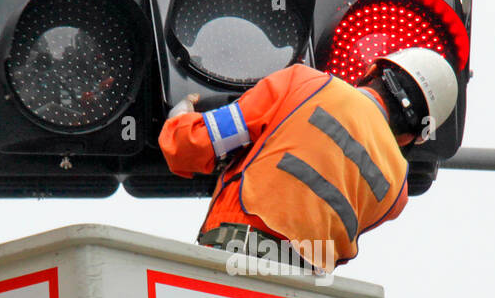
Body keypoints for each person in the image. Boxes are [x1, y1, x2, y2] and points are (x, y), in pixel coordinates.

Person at [158, 48, 459, 275]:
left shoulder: (305, 83)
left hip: (237, 250)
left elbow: (193, 145)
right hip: (307, 288)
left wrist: (180, 118)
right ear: (412, 138)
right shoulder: (397, 193)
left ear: (371, 72)